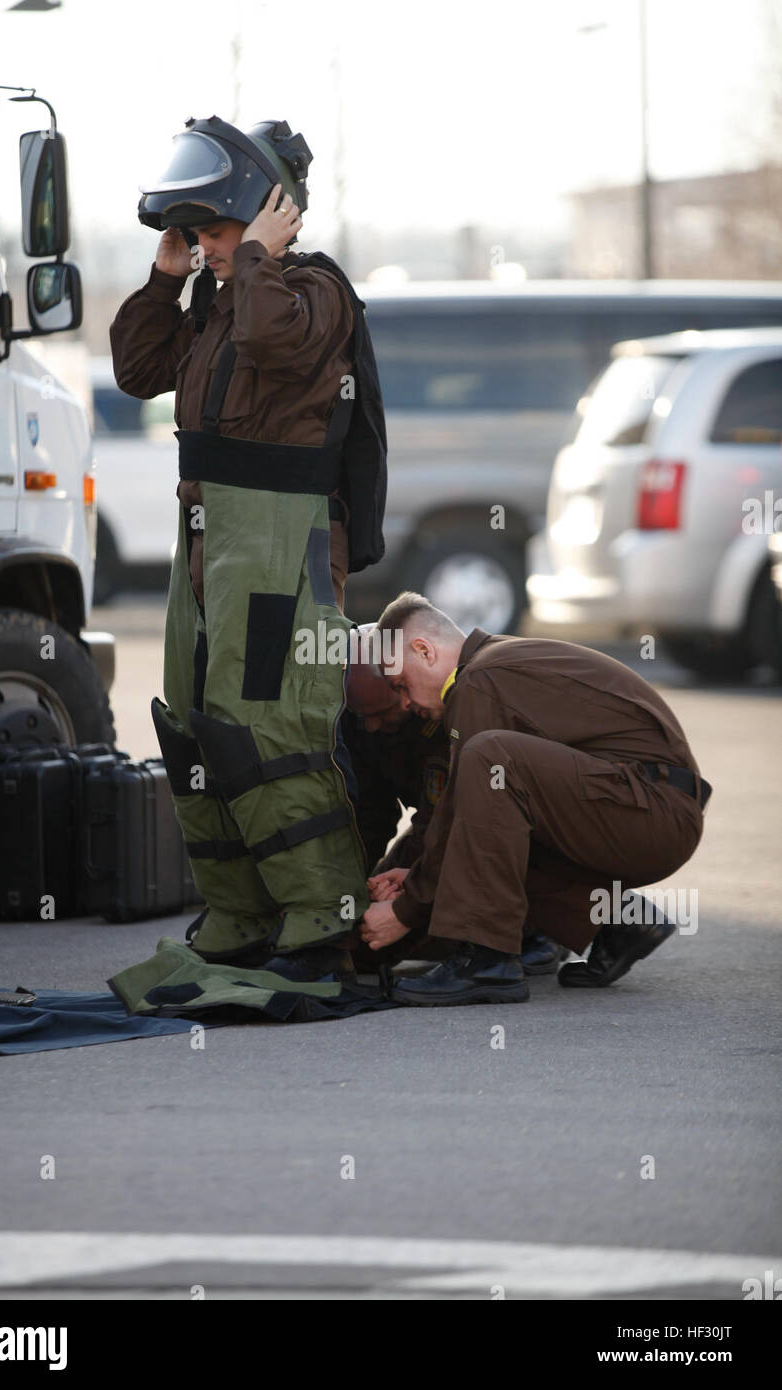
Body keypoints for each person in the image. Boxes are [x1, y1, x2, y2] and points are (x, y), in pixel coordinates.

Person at [110, 116, 386, 979]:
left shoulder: (312, 290)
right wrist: (168, 273)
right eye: (196, 233)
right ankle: (240, 912)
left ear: (274, 212)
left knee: (273, 724)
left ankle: (321, 917)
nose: (206, 246)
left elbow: (278, 340)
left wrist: (259, 254)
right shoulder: (216, 301)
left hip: (283, 540)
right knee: (198, 724)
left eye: (218, 229)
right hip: (208, 534)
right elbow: (136, 369)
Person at [360, 593, 711, 1005]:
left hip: (655, 812)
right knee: (495, 814)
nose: (403, 703)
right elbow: (451, 813)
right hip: (643, 807)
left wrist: (405, 913)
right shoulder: (486, 670)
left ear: (424, 650)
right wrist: (411, 872)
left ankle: (487, 962)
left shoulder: (479, 681)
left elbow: (458, 819)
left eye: (401, 684)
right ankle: (615, 921)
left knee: (494, 760)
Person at [343, 627, 562, 975]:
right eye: (362, 716)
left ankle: (539, 931)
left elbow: (464, 829)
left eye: (382, 712)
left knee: (423, 912)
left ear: (404, 685)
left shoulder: (459, 707)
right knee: (361, 936)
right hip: (435, 831)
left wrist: (407, 906)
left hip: (517, 836)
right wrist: (351, 888)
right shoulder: (363, 721)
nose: (371, 726)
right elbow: (369, 815)